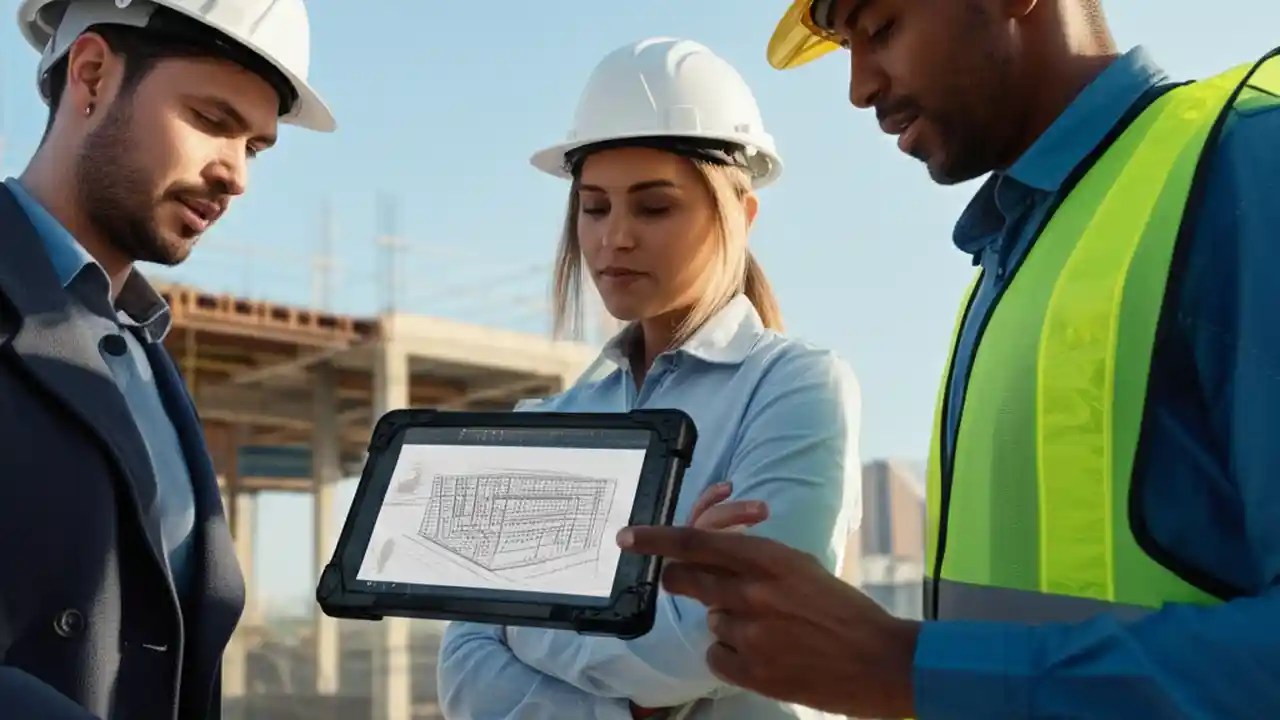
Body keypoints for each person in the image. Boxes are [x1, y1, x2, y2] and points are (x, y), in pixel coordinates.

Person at [618, 1, 1280, 718]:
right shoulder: (1012, 261)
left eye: (879, 31)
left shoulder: (1249, 163)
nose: (859, 87)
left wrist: (904, 665)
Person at [435, 37, 863, 720]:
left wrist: (521, 612)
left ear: (742, 215)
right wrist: (638, 702)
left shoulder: (796, 388)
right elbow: (465, 673)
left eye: (654, 207)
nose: (615, 238)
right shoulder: (547, 422)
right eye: (595, 207)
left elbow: (735, 633)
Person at [0, 0, 333, 717]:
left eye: (256, 146)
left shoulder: (146, 356)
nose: (235, 175)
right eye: (212, 122)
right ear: (91, 77)